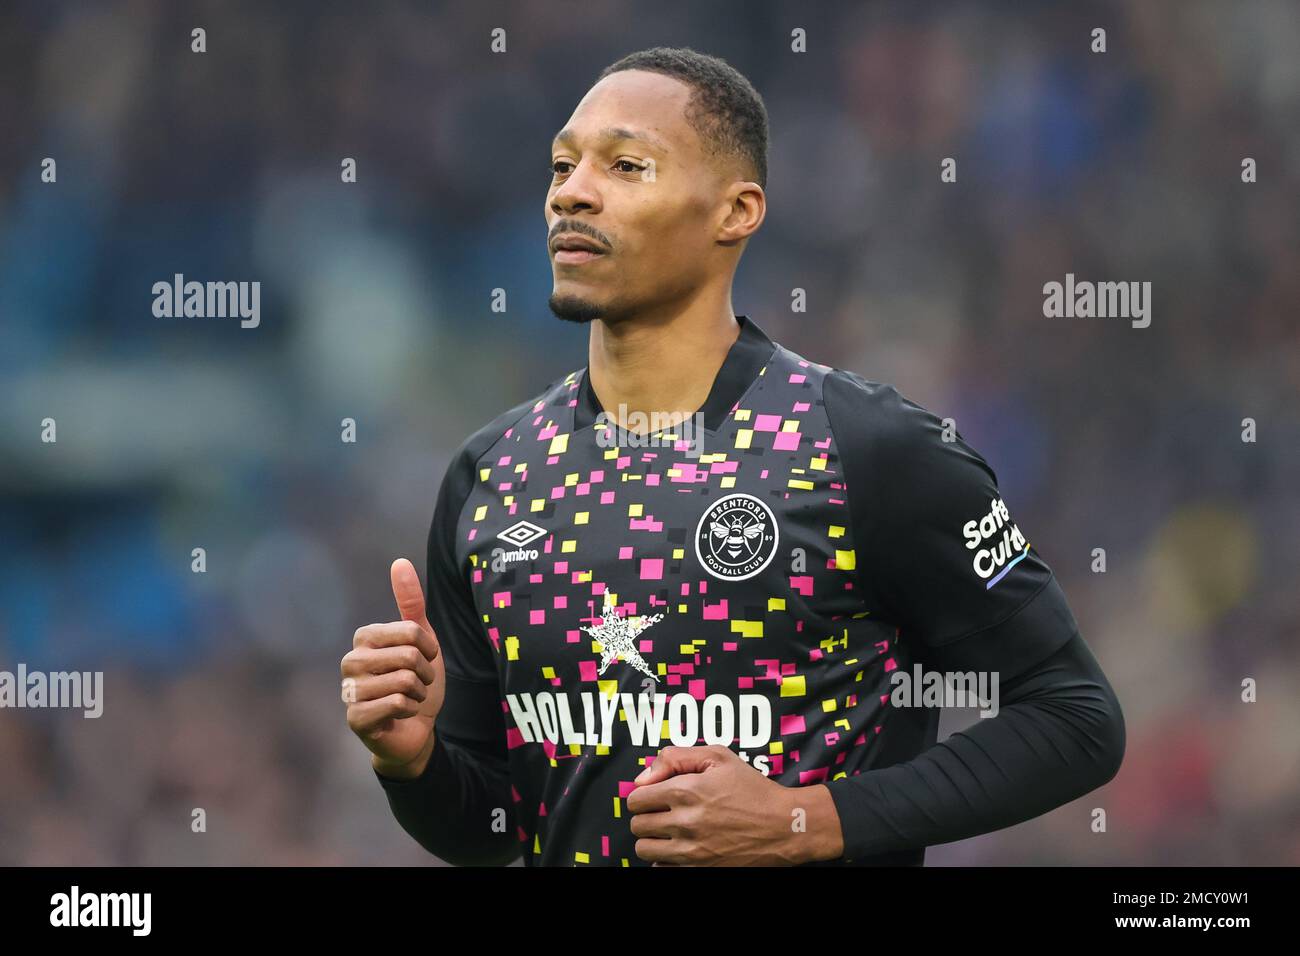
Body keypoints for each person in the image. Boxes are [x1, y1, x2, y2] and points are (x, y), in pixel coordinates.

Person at [341, 46, 1125, 867]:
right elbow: (491, 829)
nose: (571, 191)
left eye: (626, 165)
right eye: (563, 165)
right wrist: (413, 761)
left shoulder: (866, 449)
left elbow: (1075, 718)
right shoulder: (492, 475)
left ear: (736, 211)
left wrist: (809, 820)